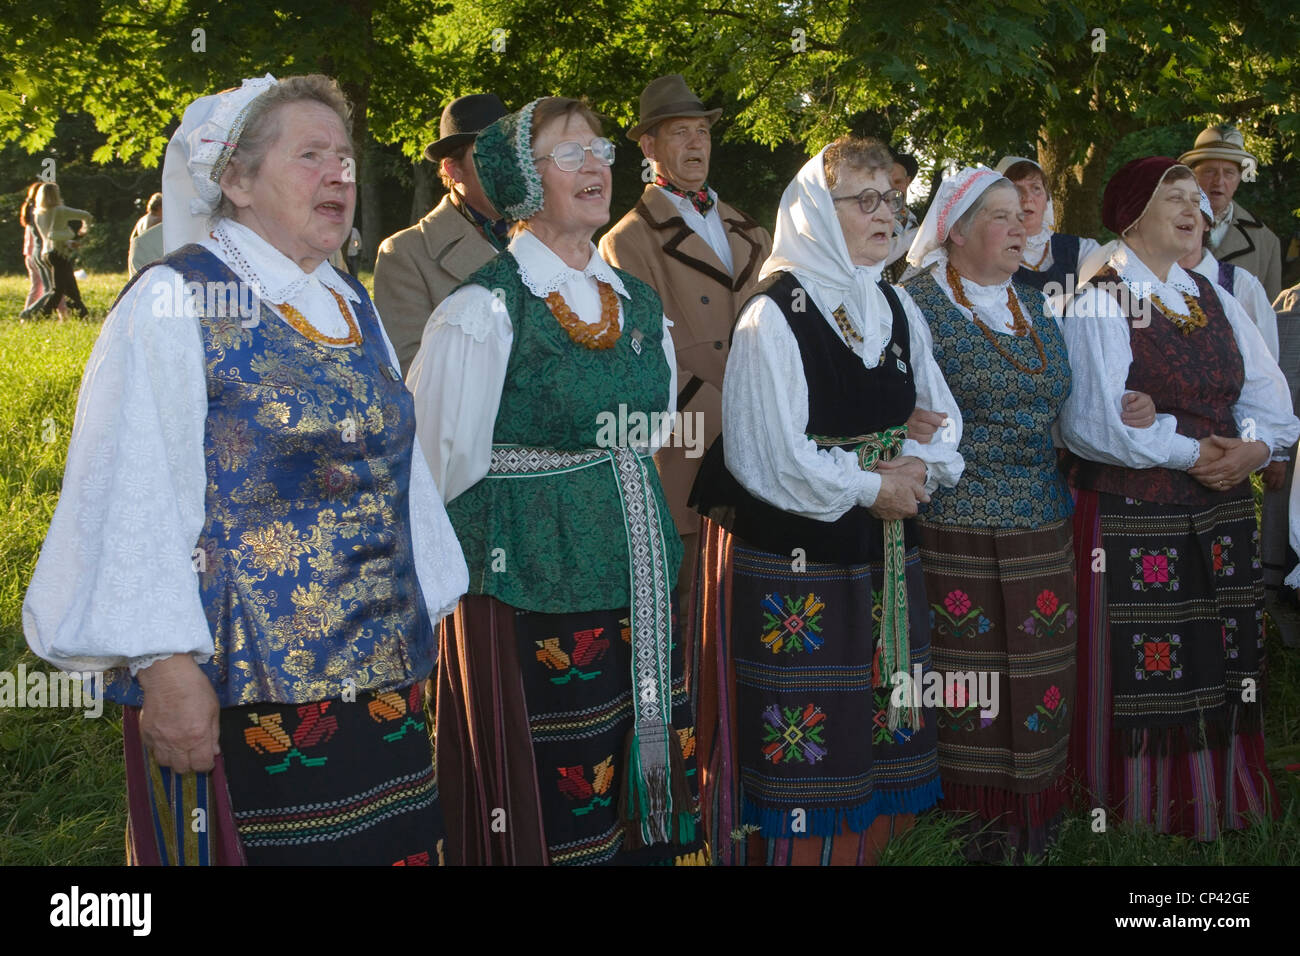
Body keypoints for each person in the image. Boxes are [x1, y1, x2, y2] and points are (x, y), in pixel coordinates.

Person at [23, 74, 468, 866]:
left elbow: (401, 477)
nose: (340, 175)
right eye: (309, 156)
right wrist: (164, 666)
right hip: (242, 687)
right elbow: (131, 494)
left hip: (379, 681)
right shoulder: (176, 300)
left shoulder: (347, 301)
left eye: (345, 157)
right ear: (234, 180)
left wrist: (423, 609)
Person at [408, 97, 704, 866]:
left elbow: (653, 432)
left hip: (636, 575)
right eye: (569, 154)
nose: (597, 165)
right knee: (552, 787)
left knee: (633, 775)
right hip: (524, 590)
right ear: (519, 180)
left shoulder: (639, 304)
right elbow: (434, 475)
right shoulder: (480, 312)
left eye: (601, 149)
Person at [690, 137, 965, 865]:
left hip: (884, 545)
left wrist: (923, 469)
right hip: (794, 559)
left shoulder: (899, 306)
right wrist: (876, 484)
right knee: (806, 725)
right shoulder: (773, 315)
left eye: (893, 200)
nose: (887, 214)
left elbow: (942, 416)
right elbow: (766, 454)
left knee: (876, 710)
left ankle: (875, 853)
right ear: (817, 209)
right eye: (865, 200)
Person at [901, 166, 1147, 860]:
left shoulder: (1036, 304)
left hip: (1042, 518)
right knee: (968, 680)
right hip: (953, 523)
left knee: (1040, 678)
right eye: (1003, 217)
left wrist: (1139, 409)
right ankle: (968, 827)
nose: (1023, 227)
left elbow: (1073, 412)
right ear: (957, 231)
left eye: (1023, 215)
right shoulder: (912, 305)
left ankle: (1035, 822)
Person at [1059, 156, 1299, 840]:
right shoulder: (1101, 299)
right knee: (1150, 666)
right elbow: (1095, 425)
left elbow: (1271, 401)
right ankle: (1135, 813)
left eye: (1199, 199)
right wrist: (1197, 452)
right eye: (1177, 198)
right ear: (1132, 214)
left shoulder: (1211, 294)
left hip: (1222, 512)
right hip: (1136, 515)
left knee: (1220, 654)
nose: (1196, 209)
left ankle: (1217, 800)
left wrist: (1254, 449)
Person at [600, 74, 773, 590]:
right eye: (680, 132)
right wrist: (721, 404)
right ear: (649, 146)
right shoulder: (626, 241)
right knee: (697, 600)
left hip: (768, 435)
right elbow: (643, 355)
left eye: (702, 131)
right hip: (692, 441)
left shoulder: (751, 230)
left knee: (761, 600)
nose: (696, 142)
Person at [374, 93, 510, 374]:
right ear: (453, 169)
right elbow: (415, 374)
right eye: (488, 153)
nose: (504, 166)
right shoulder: (405, 254)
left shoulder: (542, 237)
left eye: (509, 151)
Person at [1179, 124, 1283, 300]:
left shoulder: (1266, 242)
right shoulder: (1162, 229)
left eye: (1229, 173)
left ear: (1239, 179)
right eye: (1209, 172)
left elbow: (1271, 318)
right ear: (1192, 176)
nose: (1218, 181)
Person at [994, 156, 1101, 316]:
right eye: (1016, 189)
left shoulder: (1082, 250)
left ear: (1047, 199)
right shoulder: (989, 256)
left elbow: (1107, 297)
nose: (1027, 197)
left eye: (1036, 188)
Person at [29, 182, 92, 318]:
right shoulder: (60, 211)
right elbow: (86, 215)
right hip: (59, 253)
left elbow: (50, 235)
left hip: (47, 253)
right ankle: (42, 315)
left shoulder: (38, 213)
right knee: (59, 289)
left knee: (70, 287)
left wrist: (67, 242)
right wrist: (84, 230)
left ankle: (82, 313)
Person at [883, 150, 920, 280]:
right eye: (887, 183)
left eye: (898, 182)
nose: (892, 188)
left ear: (907, 182)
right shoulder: (872, 219)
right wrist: (912, 237)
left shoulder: (914, 222)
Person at [19, 182, 54, 313]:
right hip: (40, 251)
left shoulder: (27, 209)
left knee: (36, 286)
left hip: (29, 253)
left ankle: (28, 310)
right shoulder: (39, 211)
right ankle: (63, 315)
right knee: (52, 288)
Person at [128, 193, 164, 276]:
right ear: (159, 207)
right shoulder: (157, 221)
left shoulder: (142, 219)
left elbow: (133, 238)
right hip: (151, 258)